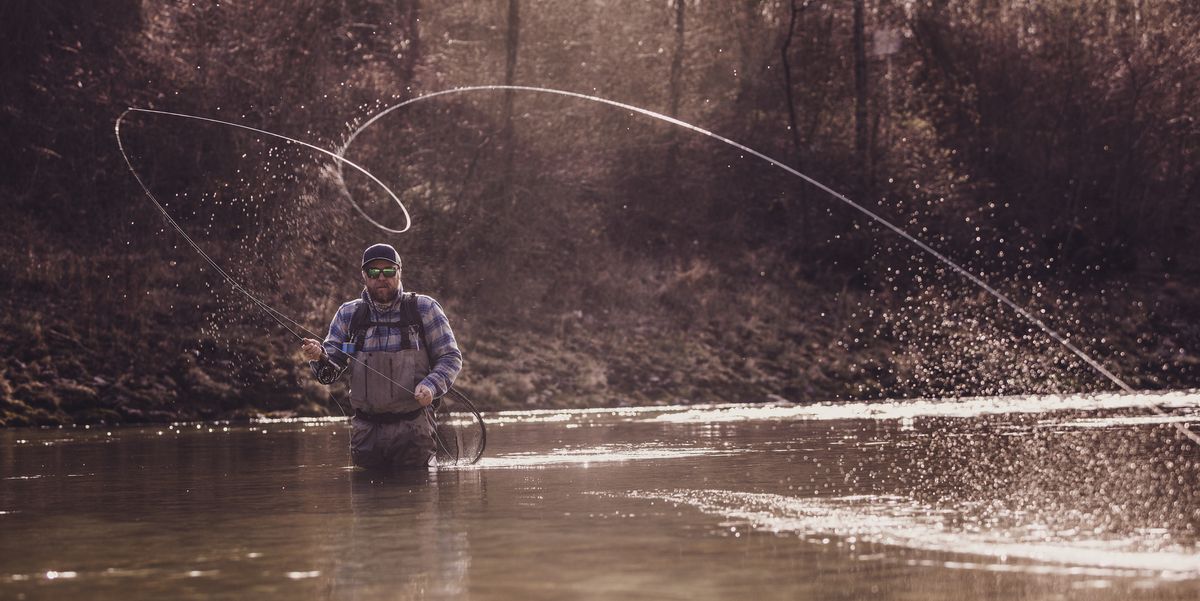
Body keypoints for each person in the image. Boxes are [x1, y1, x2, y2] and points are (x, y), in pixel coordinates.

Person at [300, 243, 463, 469]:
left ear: (399, 272)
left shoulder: (424, 309)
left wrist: (431, 386)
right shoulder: (349, 314)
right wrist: (319, 357)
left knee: (417, 501)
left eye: (388, 271)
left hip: (414, 430)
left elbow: (450, 358)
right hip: (365, 434)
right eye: (373, 272)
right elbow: (330, 372)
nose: (381, 278)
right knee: (367, 502)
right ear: (364, 276)